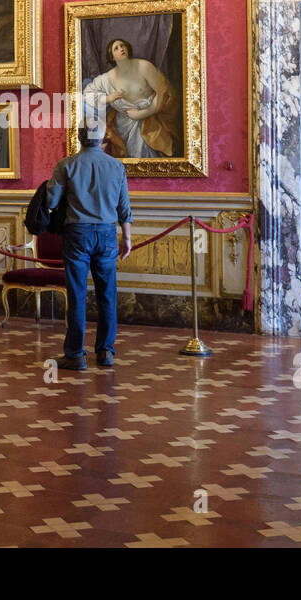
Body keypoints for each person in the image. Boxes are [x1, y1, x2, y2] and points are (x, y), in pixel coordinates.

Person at [44, 124, 133, 370]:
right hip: (106, 233)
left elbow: (51, 201)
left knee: (77, 295)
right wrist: (127, 238)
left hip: (77, 233)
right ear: (103, 137)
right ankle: (105, 351)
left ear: (79, 138)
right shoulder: (116, 166)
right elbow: (124, 208)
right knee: (107, 294)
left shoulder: (67, 165)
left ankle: (75, 354)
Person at [82, 37, 180, 158]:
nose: (121, 49)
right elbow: (87, 95)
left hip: (150, 120)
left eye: (123, 46)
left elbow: (163, 91)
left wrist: (144, 113)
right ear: (111, 56)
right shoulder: (106, 78)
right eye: (116, 48)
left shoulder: (144, 66)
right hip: (123, 124)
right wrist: (108, 98)